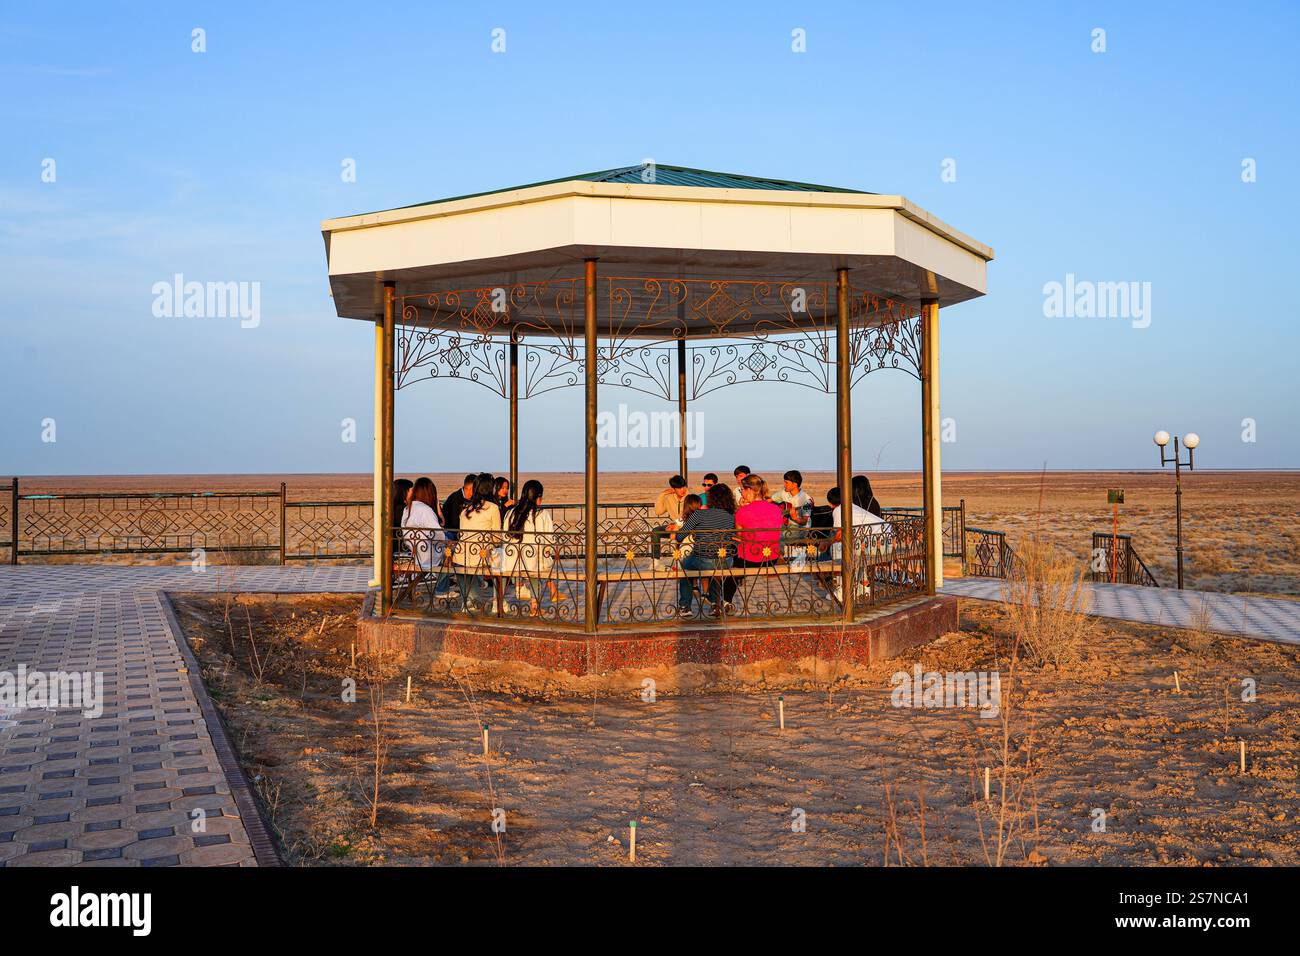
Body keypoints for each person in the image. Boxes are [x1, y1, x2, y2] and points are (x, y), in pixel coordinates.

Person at [670, 482, 736, 616]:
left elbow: (680, 536)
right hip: (726, 560)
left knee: (685, 568)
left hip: (702, 559)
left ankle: (685, 606)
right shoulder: (731, 516)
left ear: (711, 498)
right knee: (714, 568)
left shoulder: (699, 514)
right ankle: (715, 604)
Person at [503, 479, 565, 615]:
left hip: (513, 561)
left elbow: (504, 538)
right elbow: (549, 539)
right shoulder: (541, 515)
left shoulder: (510, 513)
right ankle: (535, 605)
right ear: (538, 497)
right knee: (540, 564)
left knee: (536, 562)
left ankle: (529, 597)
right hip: (532, 561)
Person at [725, 475, 783, 608]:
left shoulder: (742, 511)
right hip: (771, 557)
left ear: (750, 490)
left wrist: (741, 509)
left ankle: (725, 601)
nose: (742, 494)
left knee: (730, 566)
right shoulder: (776, 509)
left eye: (743, 490)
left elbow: (739, 536)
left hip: (750, 558)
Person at [451, 473, 502, 610]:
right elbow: (496, 538)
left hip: (461, 556)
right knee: (501, 557)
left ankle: (471, 601)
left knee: (468, 575)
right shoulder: (493, 508)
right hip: (480, 556)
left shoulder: (465, 510)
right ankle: (498, 602)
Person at [401, 477, 446, 573]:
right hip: (428, 555)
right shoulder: (425, 510)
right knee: (458, 553)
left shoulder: (407, 508)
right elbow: (439, 536)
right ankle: (441, 587)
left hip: (415, 551)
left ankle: (442, 586)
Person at [771, 469, 814, 545]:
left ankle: (780, 556)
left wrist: (795, 518)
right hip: (786, 525)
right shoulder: (784, 493)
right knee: (769, 533)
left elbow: (804, 521)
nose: (784, 485)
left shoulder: (806, 500)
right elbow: (769, 500)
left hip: (800, 529)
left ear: (795, 484)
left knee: (780, 538)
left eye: (786, 483)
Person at [652, 475, 689, 561]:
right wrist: (662, 494)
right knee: (656, 531)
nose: (682, 490)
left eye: (683, 487)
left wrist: (676, 524)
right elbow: (658, 511)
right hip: (674, 528)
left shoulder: (689, 497)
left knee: (680, 537)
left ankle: (681, 561)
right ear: (673, 489)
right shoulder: (669, 498)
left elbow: (688, 516)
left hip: (688, 527)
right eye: (679, 488)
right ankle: (655, 561)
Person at [392, 478, 413, 555]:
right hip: (401, 547)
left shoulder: (393, 507)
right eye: (411, 490)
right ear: (404, 492)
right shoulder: (401, 509)